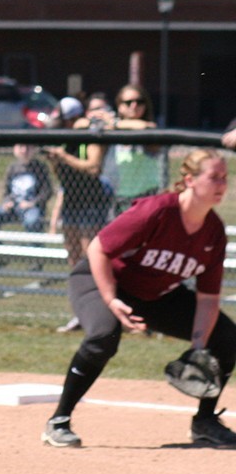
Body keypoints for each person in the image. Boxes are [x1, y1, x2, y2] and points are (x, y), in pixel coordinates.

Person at [42, 149, 236, 448]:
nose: (222, 184)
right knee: (104, 337)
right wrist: (110, 298)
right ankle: (58, 421)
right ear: (190, 180)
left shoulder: (213, 233)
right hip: (100, 279)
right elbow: (98, 249)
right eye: (214, 177)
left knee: (225, 336)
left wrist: (199, 348)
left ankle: (205, 422)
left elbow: (208, 298)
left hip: (156, 294)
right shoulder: (157, 211)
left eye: (224, 177)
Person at [45, 96, 111, 333]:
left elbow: (94, 167)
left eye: (64, 121)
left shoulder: (87, 135)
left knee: (90, 260)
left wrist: (63, 157)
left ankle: (99, 315)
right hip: (71, 204)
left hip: (91, 204)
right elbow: (61, 175)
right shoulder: (64, 139)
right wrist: (55, 160)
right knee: (74, 261)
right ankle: (80, 314)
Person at [101, 84, 163, 216]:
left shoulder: (149, 129)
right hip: (119, 197)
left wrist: (115, 124)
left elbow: (144, 126)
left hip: (146, 196)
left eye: (139, 102)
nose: (134, 106)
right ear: (119, 106)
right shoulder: (111, 130)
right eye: (129, 102)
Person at [0, 143, 53, 234]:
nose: (24, 151)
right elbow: (6, 191)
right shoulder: (13, 168)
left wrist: (32, 203)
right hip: (13, 207)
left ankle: (34, 247)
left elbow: (47, 191)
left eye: (28, 147)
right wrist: (7, 202)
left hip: (31, 208)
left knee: (32, 221)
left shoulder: (40, 168)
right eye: (21, 147)